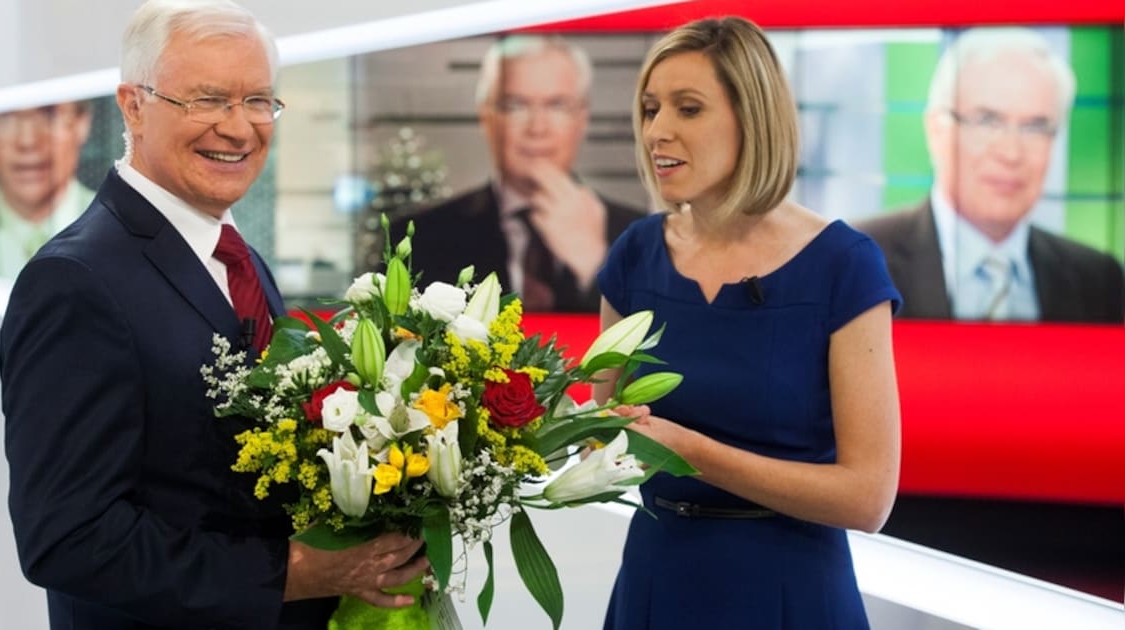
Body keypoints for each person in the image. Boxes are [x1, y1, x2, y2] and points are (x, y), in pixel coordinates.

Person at [0, 2, 427, 629]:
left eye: (258, 100)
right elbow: (68, 536)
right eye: (206, 100)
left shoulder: (240, 259)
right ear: (133, 106)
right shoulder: (75, 281)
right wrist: (298, 573)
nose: (238, 127)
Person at [595, 18, 901, 628]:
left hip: (789, 589)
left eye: (689, 109)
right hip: (659, 578)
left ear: (752, 120)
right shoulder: (636, 253)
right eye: (652, 109)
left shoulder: (843, 265)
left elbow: (868, 498)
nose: (658, 131)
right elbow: (601, 434)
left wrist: (692, 454)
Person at [857, 28, 1124, 323]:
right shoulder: (855, 257)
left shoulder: (1100, 278)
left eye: (1035, 126)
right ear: (937, 130)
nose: (1011, 153)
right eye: (987, 120)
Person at [388, 35, 643, 312]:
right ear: (486, 115)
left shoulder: (640, 235)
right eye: (516, 105)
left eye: (557, 105)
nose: (537, 128)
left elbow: (659, 341)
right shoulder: (419, 238)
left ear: (582, 117)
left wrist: (595, 264)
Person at [0, 101, 96, 278]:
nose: (28, 141)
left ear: (82, 124)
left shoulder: (123, 231)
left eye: (49, 113)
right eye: (5, 117)